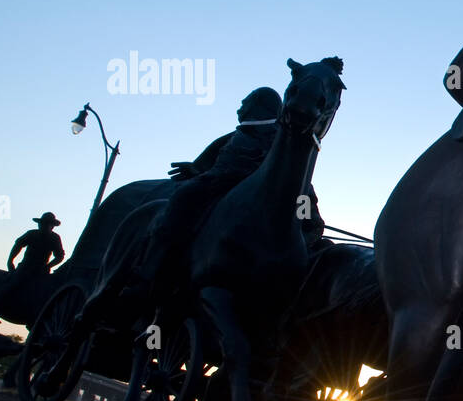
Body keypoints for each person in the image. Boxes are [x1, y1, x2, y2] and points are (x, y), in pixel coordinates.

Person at [125, 86, 324, 297]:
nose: (240, 109)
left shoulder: (266, 136)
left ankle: (150, 270)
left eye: (244, 103)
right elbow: (212, 159)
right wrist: (196, 168)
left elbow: (224, 167)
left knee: (181, 199)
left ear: (258, 106)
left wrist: (200, 173)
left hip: (245, 192)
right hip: (259, 194)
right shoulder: (247, 133)